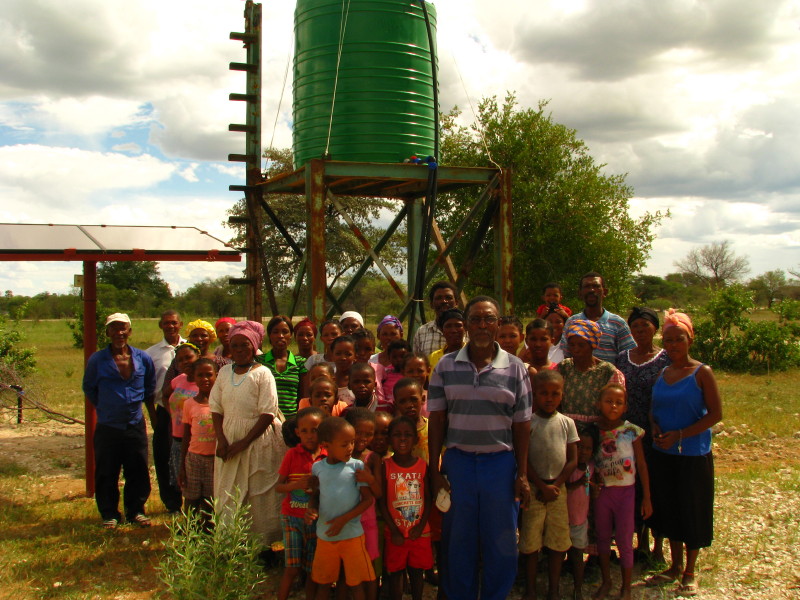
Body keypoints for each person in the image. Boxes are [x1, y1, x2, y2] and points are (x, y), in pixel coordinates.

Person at [428, 295, 533, 600]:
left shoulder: (515, 368)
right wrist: (436, 471)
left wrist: (522, 473)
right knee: (458, 540)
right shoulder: (446, 366)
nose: (483, 326)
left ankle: (495, 594)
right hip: (458, 463)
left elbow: (522, 425)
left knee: (501, 541)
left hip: (500, 465)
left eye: (489, 319)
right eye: (476, 319)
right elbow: (436, 420)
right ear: (466, 326)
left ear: (498, 324)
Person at [646, 310, 722, 597]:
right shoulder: (663, 373)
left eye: (679, 339)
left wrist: (680, 434)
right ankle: (674, 566)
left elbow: (715, 414)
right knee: (669, 508)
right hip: (663, 452)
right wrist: (654, 426)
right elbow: (655, 408)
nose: (673, 345)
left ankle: (690, 571)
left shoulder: (702, 373)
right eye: (668, 340)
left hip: (692, 454)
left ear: (690, 339)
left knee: (693, 509)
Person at [210, 320, 285, 546]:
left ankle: (260, 545)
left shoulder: (263, 374)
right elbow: (215, 407)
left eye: (245, 345)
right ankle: (230, 541)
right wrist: (222, 440)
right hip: (228, 440)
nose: (240, 350)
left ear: (254, 347)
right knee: (228, 489)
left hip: (256, 440)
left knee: (258, 492)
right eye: (235, 346)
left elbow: (267, 413)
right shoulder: (224, 372)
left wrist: (244, 443)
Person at [83, 312, 156, 529]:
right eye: (114, 328)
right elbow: (89, 388)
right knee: (107, 471)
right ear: (107, 332)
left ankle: (136, 511)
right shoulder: (97, 360)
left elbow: (149, 387)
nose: (119, 332)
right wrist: (108, 406)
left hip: (134, 424)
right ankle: (109, 514)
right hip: (108, 426)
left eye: (123, 328)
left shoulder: (142, 358)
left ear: (130, 331)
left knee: (138, 469)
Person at [615, 307, 670, 561]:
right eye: (635, 326)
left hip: (655, 430)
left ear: (655, 329)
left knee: (655, 485)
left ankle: (658, 547)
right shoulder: (622, 358)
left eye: (645, 326)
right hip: (627, 432)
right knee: (631, 486)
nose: (640, 331)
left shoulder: (665, 358)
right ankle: (641, 544)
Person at [519, 370, 578, 600]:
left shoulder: (567, 423)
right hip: (535, 490)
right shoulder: (528, 423)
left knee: (557, 542)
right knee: (531, 543)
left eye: (555, 394)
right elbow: (523, 458)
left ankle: (553, 590)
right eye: (544, 393)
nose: (549, 398)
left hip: (558, 491)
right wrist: (541, 486)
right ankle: (531, 590)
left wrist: (556, 485)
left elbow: (573, 459)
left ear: (562, 395)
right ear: (534, 395)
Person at [592, 383, 652, 600]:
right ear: (599, 404)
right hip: (603, 494)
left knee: (626, 541)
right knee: (603, 538)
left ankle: (626, 587)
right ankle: (606, 581)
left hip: (626, 493)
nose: (613, 406)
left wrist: (647, 497)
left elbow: (642, 465)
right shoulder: (594, 431)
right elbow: (589, 461)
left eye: (619, 402)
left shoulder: (631, 431)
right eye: (609, 401)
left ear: (625, 407)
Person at [306, 417, 376, 600]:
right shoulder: (317, 468)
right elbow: (315, 496)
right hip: (326, 536)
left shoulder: (357, 466)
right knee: (324, 583)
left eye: (352, 442)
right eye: (344, 444)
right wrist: (311, 509)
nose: (350, 448)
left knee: (356, 584)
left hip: (352, 536)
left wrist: (344, 519)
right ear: (326, 445)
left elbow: (368, 500)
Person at [379, 415, 433, 600]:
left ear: (415, 440)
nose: (402, 439)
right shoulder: (385, 466)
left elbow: (428, 499)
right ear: (389, 439)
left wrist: (420, 526)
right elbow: (383, 502)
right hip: (395, 533)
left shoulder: (422, 466)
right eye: (397, 435)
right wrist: (394, 530)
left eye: (408, 435)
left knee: (417, 573)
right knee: (395, 574)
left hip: (420, 533)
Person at [276, 406, 326, 600]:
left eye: (315, 430)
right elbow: (279, 487)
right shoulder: (292, 455)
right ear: (297, 432)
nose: (310, 435)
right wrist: (295, 485)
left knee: (313, 568)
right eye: (304, 431)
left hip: (316, 520)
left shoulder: (328, 457)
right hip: (292, 518)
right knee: (292, 568)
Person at [145, 309, 184, 514]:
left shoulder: (190, 347)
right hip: (164, 412)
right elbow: (148, 389)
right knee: (164, 456)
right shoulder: (152, 354)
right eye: (166, 323)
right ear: (161, 325)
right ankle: (171, 503)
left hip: (191, 412)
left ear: (181, 324)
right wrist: (153, 416)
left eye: (174, 322)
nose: (171, 326)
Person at [558, 319, 625, 425]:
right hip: (565, 427)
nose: (575, 349)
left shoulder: (609, 372)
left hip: (597, 431)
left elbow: (615, 408)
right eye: (572, 345)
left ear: (593, 345)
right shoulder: (563, 368)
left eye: (581, 345)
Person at [346, 408, 383, 600]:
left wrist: (369, 478)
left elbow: (378, 493)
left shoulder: (373, 458)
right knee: (347, 567)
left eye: (368, 434)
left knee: (370, 566)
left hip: (368, 523)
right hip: (346, 522)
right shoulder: (340, 456)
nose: (363, 438)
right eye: (358, 432)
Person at [561, 272, 635, 363]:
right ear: (580, 293)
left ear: (605, 292)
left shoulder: (618, 323)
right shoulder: (572, 322)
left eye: (596, 286)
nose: (591, 290)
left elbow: (629, 357)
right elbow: (567, 357)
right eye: (586, 286)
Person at [179, 358, 218, 524]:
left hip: (214, 460)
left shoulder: (220, 404)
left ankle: (208, 534)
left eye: (209, 375)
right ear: (194, 378)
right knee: (191, 499)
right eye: (200, 375)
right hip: (194, 459)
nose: (205, 379)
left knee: (210, 501)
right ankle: (190, 534)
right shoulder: (189, 404)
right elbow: (186, 436)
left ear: (216, 376)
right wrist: (182, 466)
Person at [565, 428, 598, 600]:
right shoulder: (567, 466)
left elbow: (592, 492)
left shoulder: (591, 467)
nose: (583, 451)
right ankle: (554, 588)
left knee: (578, 554)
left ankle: (577, 589)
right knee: (558, 551)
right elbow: (563, 488)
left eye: (587, 448)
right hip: (563, 519)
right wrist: (578, 482)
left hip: (580, 519)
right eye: (579, 447)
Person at [166, 342, 200, 502]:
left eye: (189, 357)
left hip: (197, 440)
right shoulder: (178, 380)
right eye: (180, 360)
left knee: (196, 484)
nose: (185, 362)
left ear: (198, 357)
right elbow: (165, 395)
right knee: (182, 481)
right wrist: (173, 413)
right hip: (178, 438)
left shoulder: (206, 381)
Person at [259, 315, 306, 419]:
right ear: (270, 335)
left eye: (285, 332)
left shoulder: (300, 363)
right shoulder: (260, 362)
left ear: (291, 335)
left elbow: (303, 397)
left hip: (291, 422)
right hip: (266, 422)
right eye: (275, 332)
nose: (280, 336)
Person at [413, 281, 459, 357]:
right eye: (439, 298)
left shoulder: (467, 331)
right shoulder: (422, 332)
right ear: (431, 304)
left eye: (448, 297)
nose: (444, 301)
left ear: (456, 303)